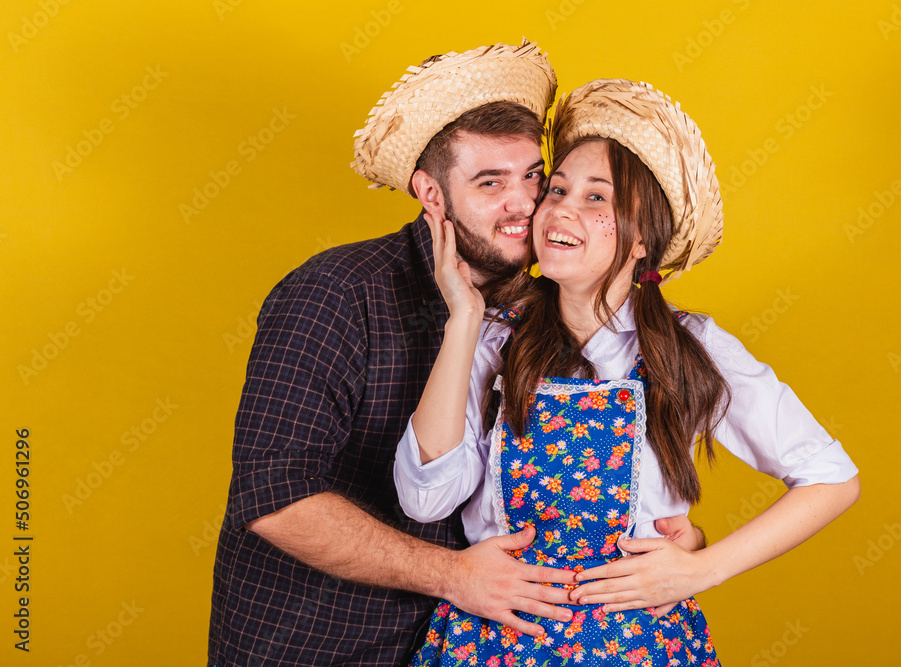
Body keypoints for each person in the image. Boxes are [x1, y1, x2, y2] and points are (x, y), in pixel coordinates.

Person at [394, 79, 861, 665]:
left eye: (597, 198)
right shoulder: (492, 338)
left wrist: (700, 568)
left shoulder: (691, 348)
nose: (561, 207)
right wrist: (463, 319)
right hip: (495, 643)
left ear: (642, 237)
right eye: (557, 188)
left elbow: (831, 477)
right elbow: (426, 498)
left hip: (636, 647)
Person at [208, 41, 579, 667]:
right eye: (491, 183)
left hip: (471, 645)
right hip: (317, 644)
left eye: (533, 177)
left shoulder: (554, 305)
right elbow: (273, 499)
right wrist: (455, 575)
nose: (523, 206)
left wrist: (677, 537)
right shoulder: (335, 294)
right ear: (430, 193)